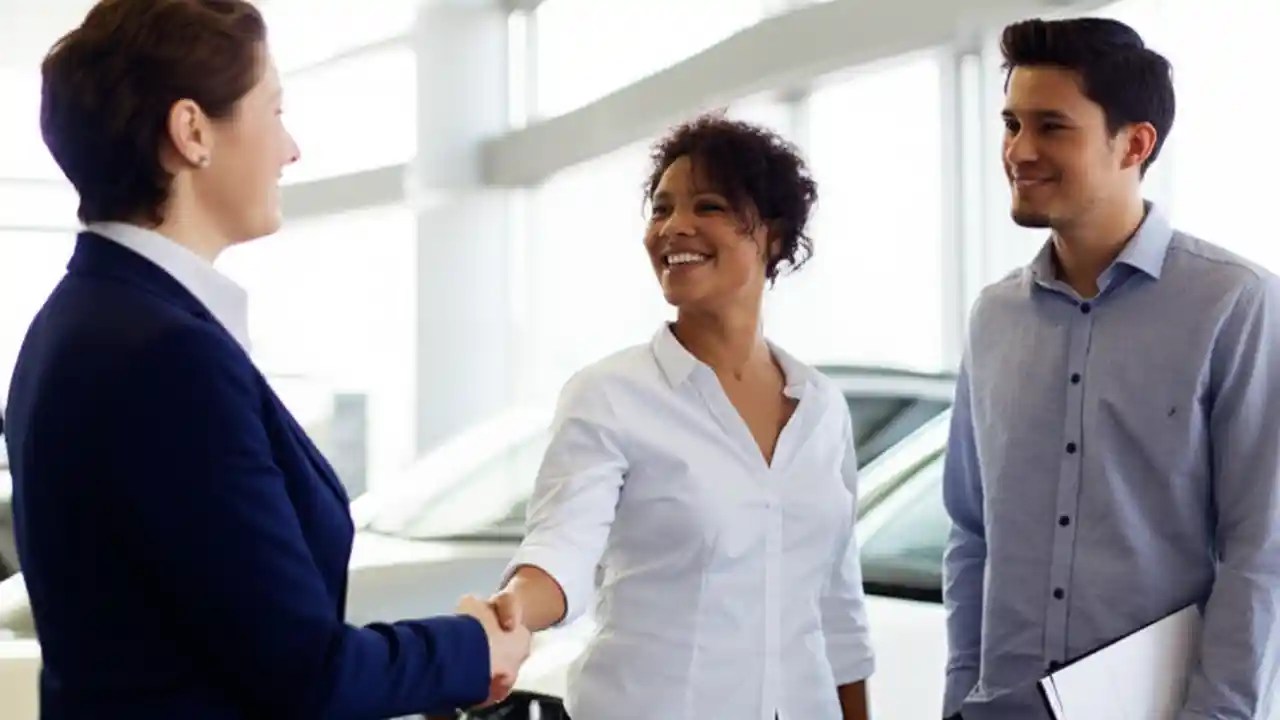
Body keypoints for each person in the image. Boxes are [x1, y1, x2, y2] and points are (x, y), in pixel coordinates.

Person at [3, 1, 528, 717]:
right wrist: (473, 648)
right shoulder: (165, 357)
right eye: (274, 111)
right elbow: (305, 675)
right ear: (192, 132)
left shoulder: (81, 321)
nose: (291, 148)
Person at [479, 115, 875, 720]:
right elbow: (561, 549)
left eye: (708, 206)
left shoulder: (822, 409)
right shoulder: (609, 395)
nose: (674, 227)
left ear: (771, 234)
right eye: (661, 209)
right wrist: (510, 611)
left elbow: (838, 607)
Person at [942, 17, 1280, 720]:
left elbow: (1261, 550)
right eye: (1010, 124)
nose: (1018, 151)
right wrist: (959, 697)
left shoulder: (1233, 304)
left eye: (1051, 127)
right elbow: (971, 534)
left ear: (1135, 142)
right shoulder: (993, 317)